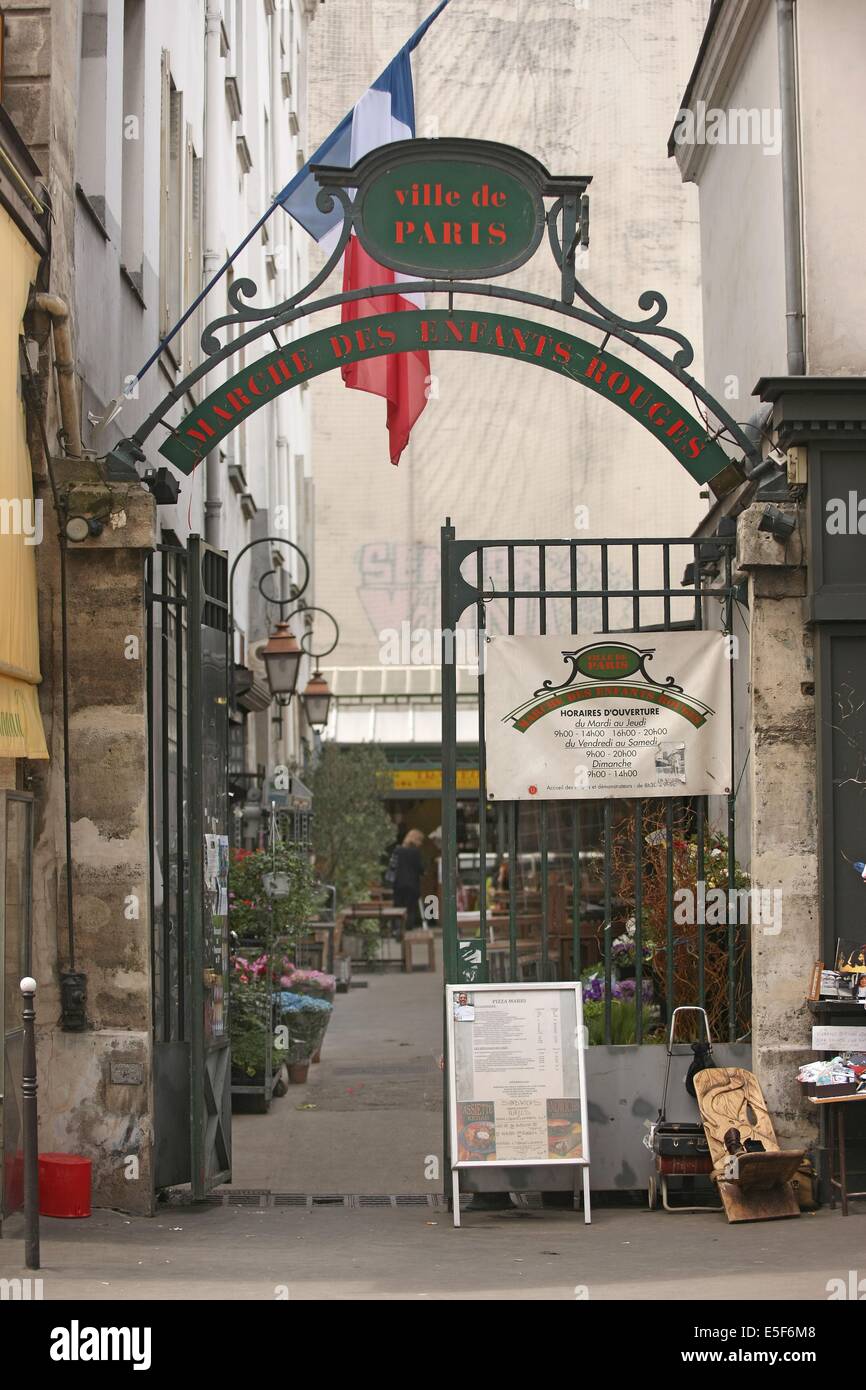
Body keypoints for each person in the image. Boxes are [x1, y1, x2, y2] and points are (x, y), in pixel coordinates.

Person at [391, 828, 424, 929]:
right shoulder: (415, 852)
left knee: (398, 908)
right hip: (412, 885)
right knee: (410, 909)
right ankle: (408, 930)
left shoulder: (397, 850)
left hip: (398, 885)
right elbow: (420, 869)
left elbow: (392, 867)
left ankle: (398, 930)